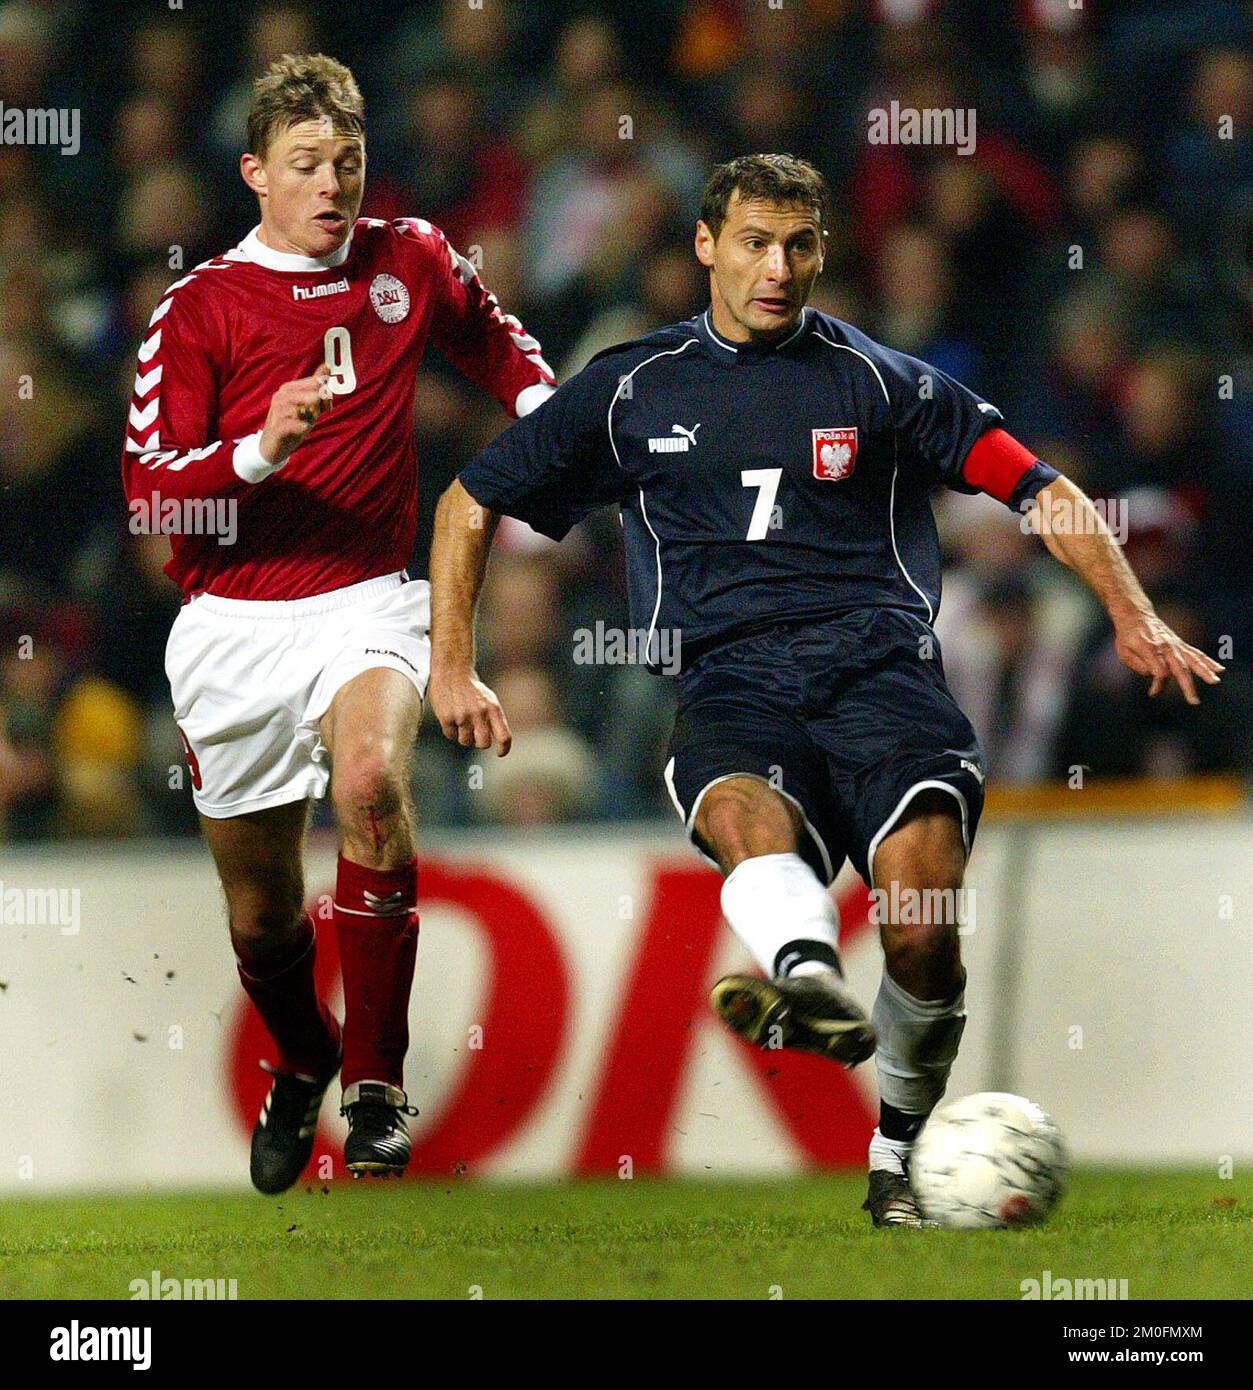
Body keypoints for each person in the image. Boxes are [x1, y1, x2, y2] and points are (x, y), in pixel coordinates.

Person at [426, 154, 1221, 1227]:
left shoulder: (880, 381)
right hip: (728, 680)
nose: (777, 267)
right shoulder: (627, 388)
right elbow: (469, 499)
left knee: (919, 917)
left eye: (799, 245)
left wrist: (1128, 612)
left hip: (880, 676)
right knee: (746, 815)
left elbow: (1035, 486)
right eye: (754, 241)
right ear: (706, 244)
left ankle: (894, 1151)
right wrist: (450, 660)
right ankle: (805, 972)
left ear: (820, 253)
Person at [120, 54, 554, 1193]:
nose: (331, 186)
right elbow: (152, 494)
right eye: (306, 165)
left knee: (370, 786)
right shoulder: (200, 307)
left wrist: (551, 415)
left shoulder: (407, 256)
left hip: (368, 598)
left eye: (347, 163)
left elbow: (496, 341)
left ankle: (373, 1088)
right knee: (263, 917)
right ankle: (304, 1055)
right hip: (231, 624)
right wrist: (261, 446)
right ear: (256, 172)